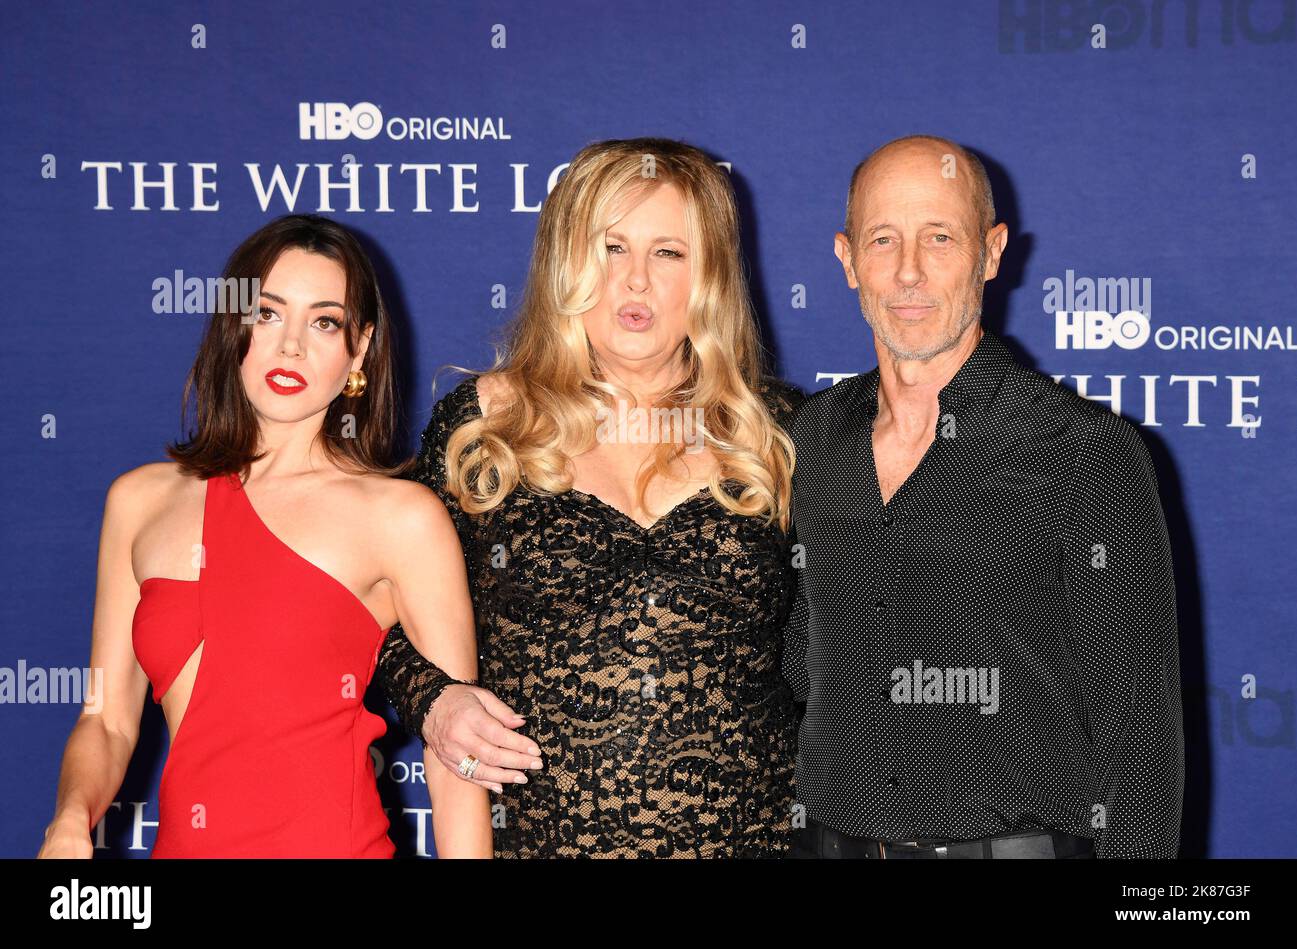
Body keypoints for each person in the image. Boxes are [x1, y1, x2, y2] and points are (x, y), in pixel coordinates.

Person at [375, 138, 804, 857]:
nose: (635, 280)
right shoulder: (487, 426)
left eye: (668, 253)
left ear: (709, 275)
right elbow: (373, 615)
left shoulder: (779, 431)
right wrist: (436, 700)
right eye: (611, 248)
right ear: (567, 261)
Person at [38, 215, 490, 858]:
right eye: (269, 313)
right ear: (234, 327)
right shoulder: (138, 502)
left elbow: (453, 759)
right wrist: (68, 822)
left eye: (324, 322)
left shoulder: (400, 516)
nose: (292, 347)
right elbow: (107, 720)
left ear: (358, 352)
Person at [784, 135, 1184, 859]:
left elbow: (1139, 739)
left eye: (939, 237)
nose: (909, 271)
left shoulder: (1082, 451)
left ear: (991, 253)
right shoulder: (810, 437)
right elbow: (786, 663)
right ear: (846, 260)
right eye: (883, 239)